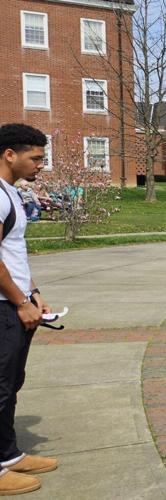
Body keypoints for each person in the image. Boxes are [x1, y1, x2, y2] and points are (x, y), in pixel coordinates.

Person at [0, 124, 58, 495]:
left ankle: (7, 455)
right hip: (4, 307)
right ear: (10, 154)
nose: (41, 165)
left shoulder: (11, 194)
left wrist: (33, 292)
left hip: (17, 303)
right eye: (35, 158)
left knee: (10, 385)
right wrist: (20, 302)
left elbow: (13, 253)